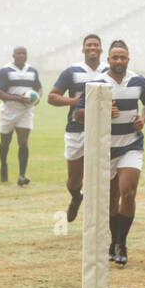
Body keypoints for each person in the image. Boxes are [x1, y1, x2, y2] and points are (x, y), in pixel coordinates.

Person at [74, 40, 145, 266]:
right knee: (111, 198)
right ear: (108, 60)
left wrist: (143, 118)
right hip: (105, 148)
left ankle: (121, 242)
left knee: (128, 192)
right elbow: (78, 114)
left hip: (131, 144)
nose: (119, 61)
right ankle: (112, 242)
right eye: (115, 57)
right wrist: (98, 109)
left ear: (128, 59)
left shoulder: (138, 80)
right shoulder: (96, 83)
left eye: (123, 57)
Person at [48, 34, 107, 222]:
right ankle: (76, 196)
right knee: (74, 180)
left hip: (102, 130)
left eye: (96, 45)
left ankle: (98, 216)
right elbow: (52, 97)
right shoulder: (72, 72)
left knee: (100, 176)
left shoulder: (109, 70)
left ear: (101, 49)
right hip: (76, 128)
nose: (92, 48)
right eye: (89, 45)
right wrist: (75, 101)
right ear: (83, 49)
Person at [0, 46, 41, 185]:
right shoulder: (5, 71)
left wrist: (38, 97)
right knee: (5, 142)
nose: (21, 55)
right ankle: (3, 165)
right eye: (18, 53)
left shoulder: (32, 71)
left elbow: (38, 87)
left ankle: (22, 175)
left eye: (24, 53)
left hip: (25, 110)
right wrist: (16, 98)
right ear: (13, 55)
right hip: (8, 110)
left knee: (23, 141)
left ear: (26, 56)